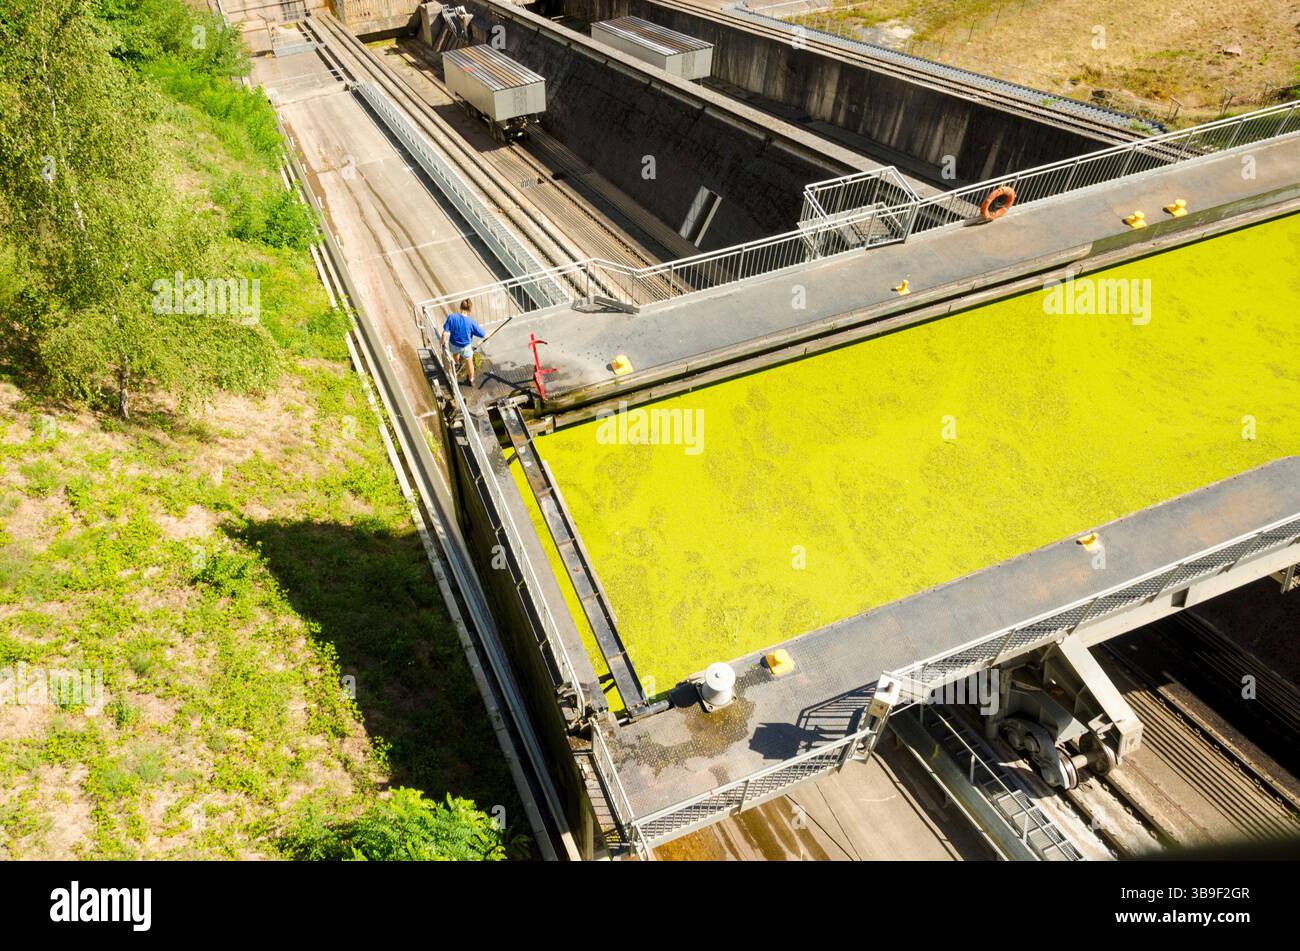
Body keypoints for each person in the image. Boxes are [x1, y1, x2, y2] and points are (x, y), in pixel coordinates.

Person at [440, 299, 487, 386]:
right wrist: (489, 334)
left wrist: (442, 343)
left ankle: (457, 364)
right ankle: (471, 379)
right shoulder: (471, 322)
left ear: (460, 307)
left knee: (455, 354)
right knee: (469, 363)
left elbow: (444, 333)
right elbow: (484, 335)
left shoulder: (452, 317)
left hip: (453, 344)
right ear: (470, 310)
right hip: (465, 347)